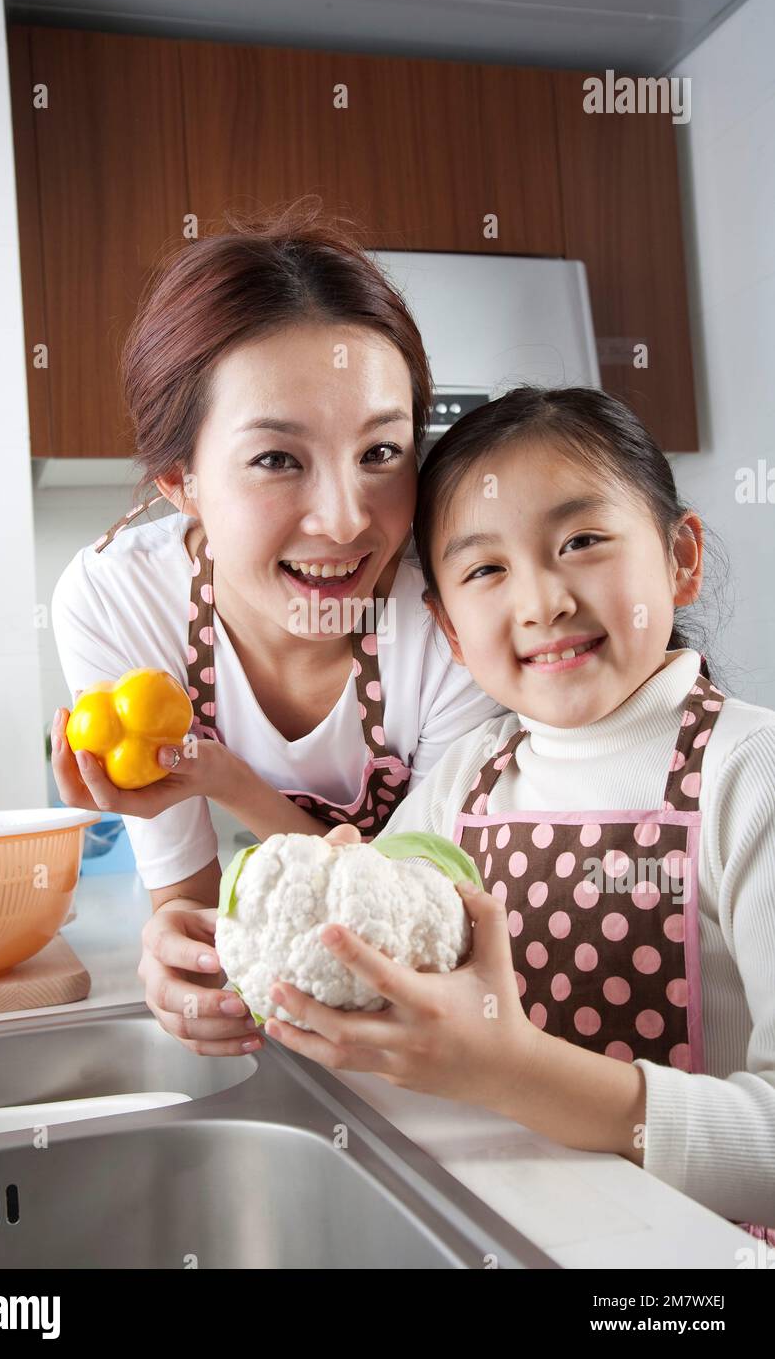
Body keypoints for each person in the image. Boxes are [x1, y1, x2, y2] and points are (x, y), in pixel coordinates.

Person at [263, 386, 775, 1240]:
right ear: (451, 631)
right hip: (515, 1235)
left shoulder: (749, 775)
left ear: (680, 557)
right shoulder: (465, 781)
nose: (542, 602)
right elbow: (347, 964)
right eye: (486, 570)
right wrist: (215, 958)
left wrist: (514, 1071)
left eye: (581, 542)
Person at [50, 202, 505, 1059]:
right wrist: (181, 961)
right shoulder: (118, 602)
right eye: (276, 459)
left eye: (380, 453)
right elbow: (185, 902)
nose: (344, 521)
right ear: (180, 478)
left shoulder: (455, 607)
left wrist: (224, 781)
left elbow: (424, 928)